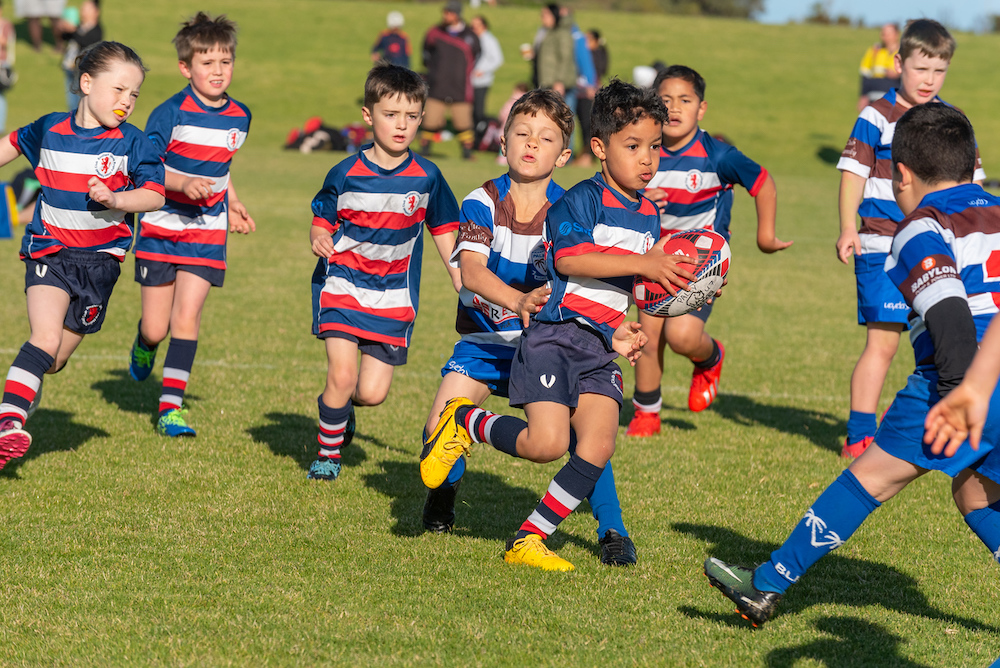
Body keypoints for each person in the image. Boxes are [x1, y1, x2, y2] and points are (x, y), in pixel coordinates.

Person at [704, 103, 1000, 628]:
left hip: (962, 379)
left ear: (900, 175)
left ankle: (766, 585)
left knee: (869, 480)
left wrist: (959, 396)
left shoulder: (920, 226)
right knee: (976, 492)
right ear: (972, 161)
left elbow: (951, 313)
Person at [421, 79, 696, 571]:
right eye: (522, 133)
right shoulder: (490, 202)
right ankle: (445, 492)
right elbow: (480, 272)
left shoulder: (599, 206)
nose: (532, 144)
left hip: (565, 338)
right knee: (452, 442)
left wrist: (623, 327)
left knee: (595, 434)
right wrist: (521, 299)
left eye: (546, 138)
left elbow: (600, 289)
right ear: (502, 141)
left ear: (565, 155)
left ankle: (608, 530)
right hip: (495, 340)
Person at [0, 41, 165, 469]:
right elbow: (12, 144)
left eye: (134, 94)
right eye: (118, 90)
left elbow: (154, 195)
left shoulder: (134, 143)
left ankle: (19, 406)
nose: (126, 101)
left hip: (99, 266)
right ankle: (8, 422)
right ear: (86, 83)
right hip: (49, 252)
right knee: (45, 337)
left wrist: (117, 199)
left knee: (53, 360)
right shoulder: (51, 129)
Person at [836, 19, 984, 459]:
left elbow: (971, 189)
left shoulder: (950, 122)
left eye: (939, 72)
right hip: (881, 242)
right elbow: (853, 174)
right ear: (898, 63)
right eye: (921, 69)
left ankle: (946, 419)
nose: (929, 80)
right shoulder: (875, 116)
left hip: (938, 248)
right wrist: (848, 226)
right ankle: (860, 433)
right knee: (882, 342)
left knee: (940, 338)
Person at [307, 62, 462, 482]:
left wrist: (460, 279)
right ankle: (327, 455)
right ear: (368, 115)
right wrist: (318, 237)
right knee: (342, 374)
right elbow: (322, 217)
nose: (402, 125)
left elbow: (445, 229)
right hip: (342, 283)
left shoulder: (427, 176)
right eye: (391, 115)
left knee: (371, 393)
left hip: (393, 296)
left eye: (412, 117)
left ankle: (341, 415)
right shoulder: (345, 172)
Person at [625, 65, 791, 437]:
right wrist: (642, 201)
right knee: (647, 338)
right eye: (665, 100)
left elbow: (762, 182)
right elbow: (619, 197)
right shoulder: (641, 152)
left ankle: (710, 358)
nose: (674, 107)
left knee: (682, 336)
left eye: (685, 100)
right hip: (652, 260)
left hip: (700, 265)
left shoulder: (717, 155)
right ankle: (646, 413)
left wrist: (765, 236)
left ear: (701, 109)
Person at [127, 13, 253, 438]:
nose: (218, 71)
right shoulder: (169, 113)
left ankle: (171, 409)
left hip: (206, 230)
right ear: (186, 67)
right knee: (155, 326)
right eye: (207, 62)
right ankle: (145, 345)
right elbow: (146, 169)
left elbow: (222, 165)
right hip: (161, 225)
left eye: (225, 61)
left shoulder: (241, 116)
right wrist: (183, 183)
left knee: (187, 318)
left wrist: (232, 202)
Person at [420, 1, 479, 160]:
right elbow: (425, 54)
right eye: (445, 12)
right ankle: (425, 151)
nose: (446, 15)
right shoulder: (434, 33)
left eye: (449, 12)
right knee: (429, 120)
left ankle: (467, 153)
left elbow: (477, 57)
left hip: (460, 87)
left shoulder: (470, 36)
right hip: (437, 85)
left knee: (463, 122)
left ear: (457, 14)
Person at [59, 0, 101, 111]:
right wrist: (64, 29)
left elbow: (86, 42)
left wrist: (73, 31)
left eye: (87, 8)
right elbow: (65, 37)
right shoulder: (79, 26)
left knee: (78, 102)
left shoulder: (96, 30)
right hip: (70, 67)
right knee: (70, 100)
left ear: (96, 12)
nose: (83, 11)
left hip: (82, 70)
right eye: (83, 8)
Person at [468, 14, 502, 138]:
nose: (474, 28)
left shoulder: (489, 40)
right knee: (469, 109)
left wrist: (483, 70)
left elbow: (497, 59)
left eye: (477, 25)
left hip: (482, 81)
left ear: (484, 26)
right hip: (469, 80)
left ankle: (479, 134)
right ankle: (471, 133)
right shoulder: (472, 39)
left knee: (478, 110)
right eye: (472, 25)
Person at [857, 23, 900, 112]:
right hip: (874, 98)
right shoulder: (874, 50)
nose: (885, 37)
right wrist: (863, 95)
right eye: (883, 34)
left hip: (895, 99)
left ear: (897, 34)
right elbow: (865, 74)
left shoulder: (903, 52)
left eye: (888, 34)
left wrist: (898, 75)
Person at [0, 0, 15, 132]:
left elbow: (5, 41)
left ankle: (1, 126)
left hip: (2, 63)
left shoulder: (5, 24)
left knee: (1, 96)